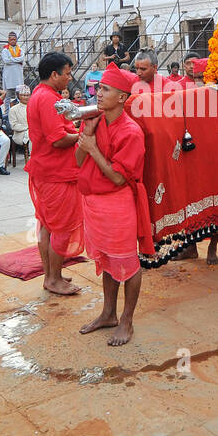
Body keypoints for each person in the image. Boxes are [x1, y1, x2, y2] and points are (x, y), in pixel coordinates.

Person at [75, 64, 154, 346]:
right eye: (99, 87)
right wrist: (88, 135)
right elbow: (78, 162)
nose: (97, 93)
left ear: (122, 97)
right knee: (107, 260)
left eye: (105, 89)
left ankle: (127, 321)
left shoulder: (131, 131)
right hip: (94, 204)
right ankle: (108, 313)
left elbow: (119, 177)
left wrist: (93, 147)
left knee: (127, 264)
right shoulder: (97, 121)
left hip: (117, 204)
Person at [26, 52, 85, 296]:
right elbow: (58, 139)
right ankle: (54, 278)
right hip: (56, 172)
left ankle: (51, 275)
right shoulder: (48, 99)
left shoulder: (42, 95)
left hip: (47, 170)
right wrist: (83, 136)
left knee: (48, 226)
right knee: (61, 227)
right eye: (68, 73)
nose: (70, 78)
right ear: (54, 74)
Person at [1, 32, 25, 102]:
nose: (13, 41)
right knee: (7, 96)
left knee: (19, 96)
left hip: (18, 76)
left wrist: (11, 59)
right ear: (8, 40)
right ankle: (6, 112)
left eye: (14, 39)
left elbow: (22, 59)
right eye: (11, 39)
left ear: (16, 40)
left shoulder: (20, 50)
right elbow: (6, 61)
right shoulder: (5, 50)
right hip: (9, 77)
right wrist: (17, 61)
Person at [9, 85, 31, 155]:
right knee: (33, 138)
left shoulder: (34, 106)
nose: (26, 97)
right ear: (19, 96)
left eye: (27, 95)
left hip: (34, 131)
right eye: (23, 95)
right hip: (20, 133)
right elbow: (14, 125)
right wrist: (28, 127)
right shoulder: (13, 109)